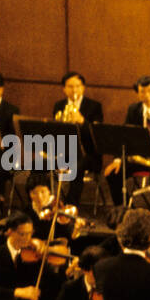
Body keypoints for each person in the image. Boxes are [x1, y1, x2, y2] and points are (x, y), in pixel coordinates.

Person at [51, 71, 104, 204]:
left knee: (75, 168)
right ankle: (43, 205)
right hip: (65, 152)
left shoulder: (94, 106)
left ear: (83, 87)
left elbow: (98, 135)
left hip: (88, 154)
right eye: (70, 86)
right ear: (64, 89)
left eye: (77, 86)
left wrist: (82, 121)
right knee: (37, 165)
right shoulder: (59, 106)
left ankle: (70, 208)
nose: (74, 89)